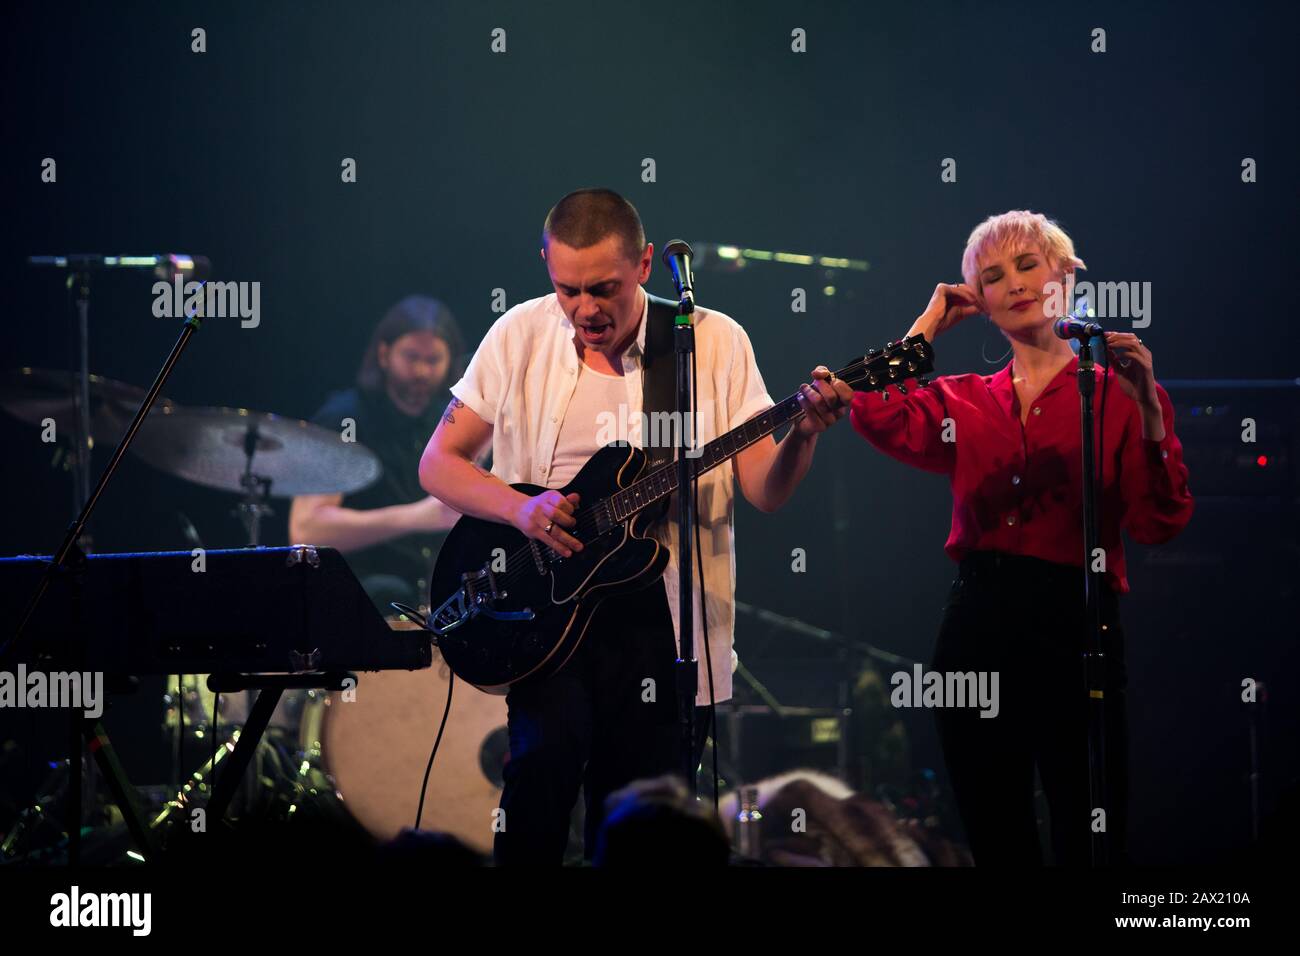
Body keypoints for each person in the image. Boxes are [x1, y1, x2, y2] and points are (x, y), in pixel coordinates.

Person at [419, 188, 854, 864]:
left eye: (605, 289)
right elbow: (439, 465)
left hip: (665, 626)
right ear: (545, 264)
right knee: (535, 794)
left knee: (641, 830)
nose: (586, 308)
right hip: (550, 616)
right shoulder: (519, 334)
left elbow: (764, 491)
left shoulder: (709, 341)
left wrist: (803, 437)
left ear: (647, 264)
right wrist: (519, 508)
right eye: (568, 289)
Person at [849, 210, 1194, 866]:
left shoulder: (1116, 391)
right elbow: (874, 410)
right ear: (978, 302)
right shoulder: (965, 398)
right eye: (992, 277)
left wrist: (1149, 407)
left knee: (1089, 833)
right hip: (980, 620)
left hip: (1076, 620)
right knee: (997, 833)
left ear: (1065, 274)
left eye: (1027, 265)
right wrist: (925, 329)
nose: (1013, 283)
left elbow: (1159, 522)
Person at [290, 295, 465, 610]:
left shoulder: (453, 418)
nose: (422, 372)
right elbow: (306, 529)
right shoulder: (345, 418)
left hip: (438, 598)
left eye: (433, 360)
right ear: (384, 354)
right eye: (411, 357)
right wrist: (415, 518)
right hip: (359, 599)